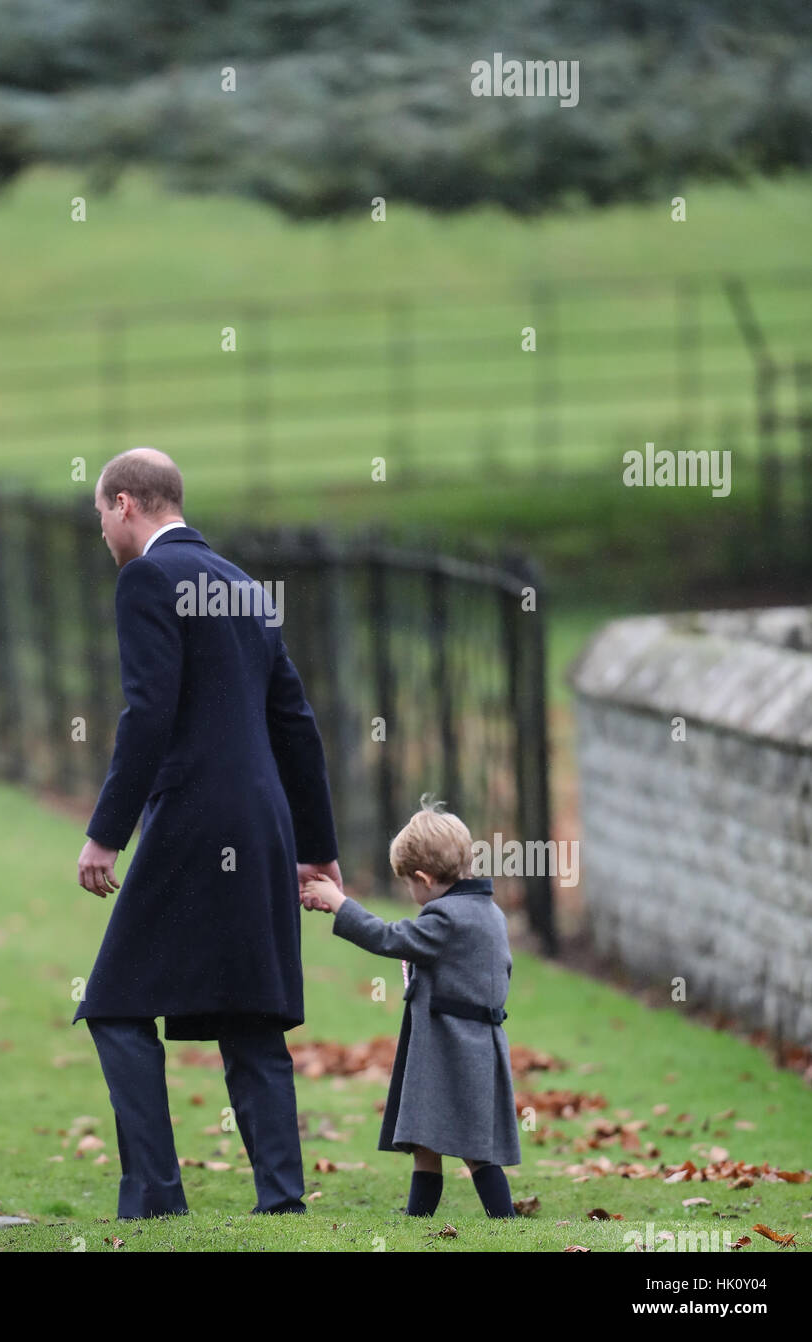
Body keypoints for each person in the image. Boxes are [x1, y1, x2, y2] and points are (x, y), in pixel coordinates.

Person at [74, 447, 343, 1220]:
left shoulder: (147, 579)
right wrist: (315, 848)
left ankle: (157, 1199)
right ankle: (281, 1202)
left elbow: (147, 713)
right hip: (260, 821)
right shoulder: (243, 586)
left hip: (193, 816)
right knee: (249, 1012)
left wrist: (106, 833)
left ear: (125, 503)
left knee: (116, 1005)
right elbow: (296, 724)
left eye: (100, 513)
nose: (101, 531)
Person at [302, 798, 520, 1219]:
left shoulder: (446, 917)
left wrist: (339, 903)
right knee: (426, 1137)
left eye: (409, 884)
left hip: (453, 1045)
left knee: (474, 1150)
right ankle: (416, 1219)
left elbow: (390, 938)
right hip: (465, 1043)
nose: (410, 894)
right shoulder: (489, 912)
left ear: (424, 878)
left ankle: (505, 1220)